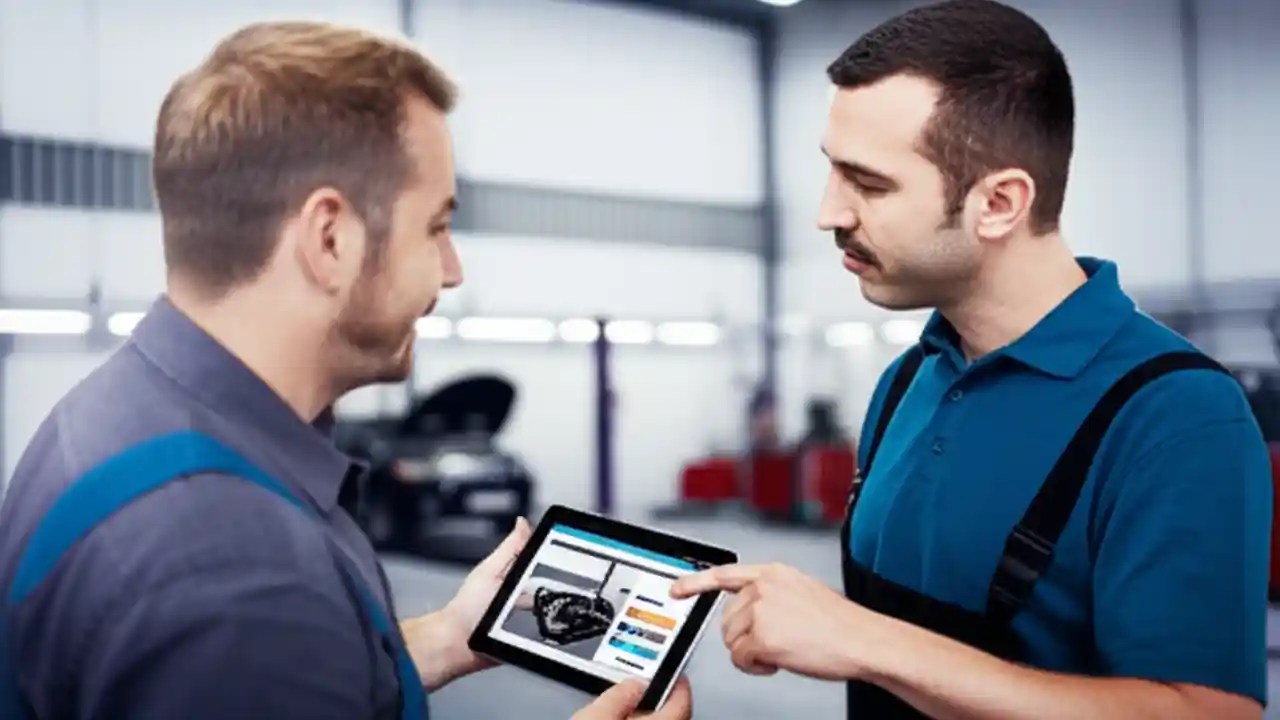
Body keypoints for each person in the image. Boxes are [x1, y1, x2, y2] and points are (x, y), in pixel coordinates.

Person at [0, 22, 690, 720]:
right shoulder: (241, 575)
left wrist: (448, 636)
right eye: (435, 227)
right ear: (329, 239)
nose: (452, 271)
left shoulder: (114, 414)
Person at [672, 1, 1272, 718]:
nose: (829, 214)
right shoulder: (906, 383)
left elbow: (1207, 712)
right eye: (832, 172)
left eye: (869, 184)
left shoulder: (1176, 417)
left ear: (999, 203)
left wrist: (865, 641)